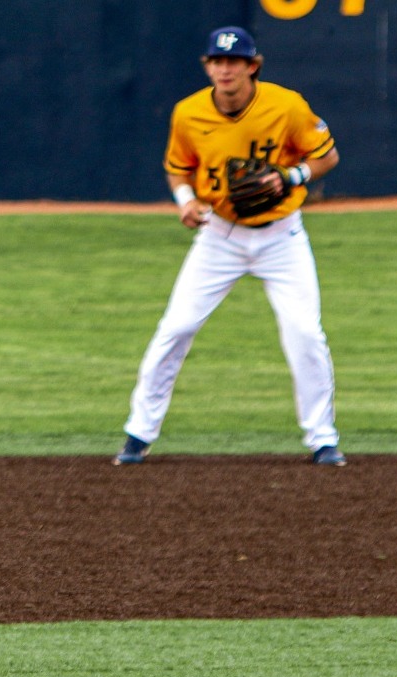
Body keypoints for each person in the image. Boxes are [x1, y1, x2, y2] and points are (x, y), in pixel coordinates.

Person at [116, 26, 345, 467]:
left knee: (304, 333)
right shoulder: (189, 113)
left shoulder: (286, 105)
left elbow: (326, 156)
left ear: (252, 67)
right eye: (218, 61)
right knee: (176, 327)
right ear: (207, 67)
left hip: (282, 237)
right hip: (219, 236)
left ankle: (323, 438)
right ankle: (138, 434)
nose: (225, 69)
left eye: (235, 61)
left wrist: (291, 176)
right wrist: (186, 201)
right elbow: (179, 168)